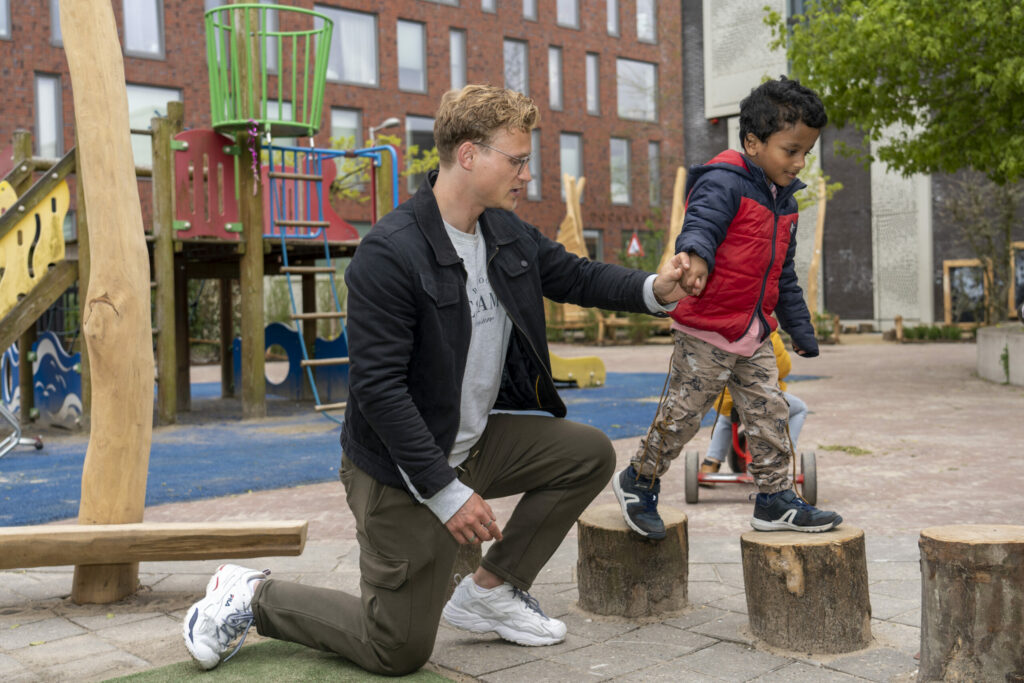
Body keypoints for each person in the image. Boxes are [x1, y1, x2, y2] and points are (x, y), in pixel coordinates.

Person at [182, 84, 693, 675]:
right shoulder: (391, 253)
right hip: (398, 469)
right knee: (395, 647)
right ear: (470, 155)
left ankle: (491, 591)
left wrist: (655, 291)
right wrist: (446, 495)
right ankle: (249, 596)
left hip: (469, 444)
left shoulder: (504, 232)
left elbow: (575, 276)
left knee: (586, 454)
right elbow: (377, 390)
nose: (526, 175)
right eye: (517, 159)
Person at [613, 76, 843, 539]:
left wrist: (800, 330)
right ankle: (638, 480)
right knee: (683, 416)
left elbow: (784, 276)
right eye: (790, 150)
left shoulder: (786, 204)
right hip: (706, 331)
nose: (799, 163)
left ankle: (775, 500)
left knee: (770, 414)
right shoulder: (724, 182)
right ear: (752, 142)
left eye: (806, 153)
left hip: (754, 333)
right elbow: (700, 225)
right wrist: (696, 255)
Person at [699, 329, 808, 485]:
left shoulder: (721, 331)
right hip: (765, 400)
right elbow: (783, 368)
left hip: (732, 400)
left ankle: (711, 463)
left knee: (726, 420)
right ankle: (785, 452)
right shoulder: (769, 333)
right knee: (800, 409)